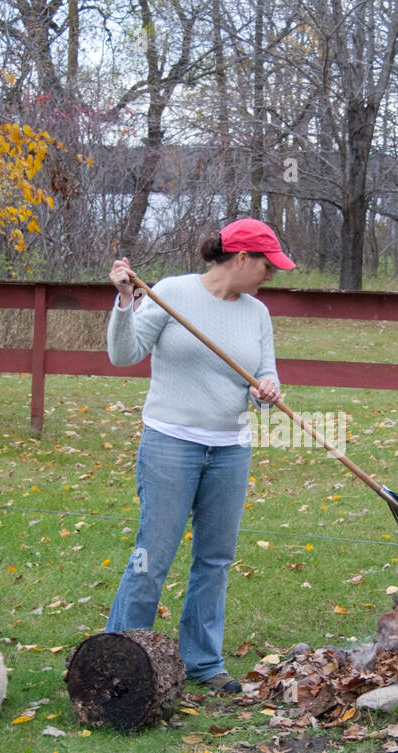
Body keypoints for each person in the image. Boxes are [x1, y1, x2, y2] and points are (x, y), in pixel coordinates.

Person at [104, 218, 295, 693]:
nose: (271, 276)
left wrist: (266, 389)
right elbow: (123, 354)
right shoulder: (173, 293)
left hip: (230, 450)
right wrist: (126, 301)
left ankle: (204, 663)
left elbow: (263, 374)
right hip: (170, 442)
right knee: (154, 554)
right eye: (268, 266)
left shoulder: (257, 313)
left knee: (214, 559)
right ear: (244, 258)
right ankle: (123, 655)